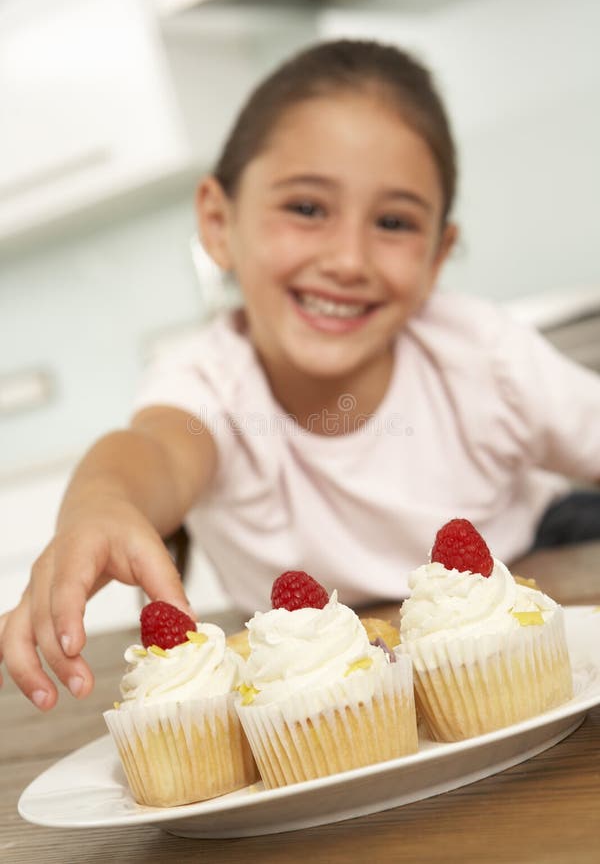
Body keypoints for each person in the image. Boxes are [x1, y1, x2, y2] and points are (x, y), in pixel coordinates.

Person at [1, 39, 599, 711]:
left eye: (394, 222)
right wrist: (99, 507)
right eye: (308, 209)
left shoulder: (481, 351)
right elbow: (155, 449)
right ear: (220, 224)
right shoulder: (210, 377)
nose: (348, 258)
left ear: (438, 256)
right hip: (324, 667)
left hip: (541, 571)